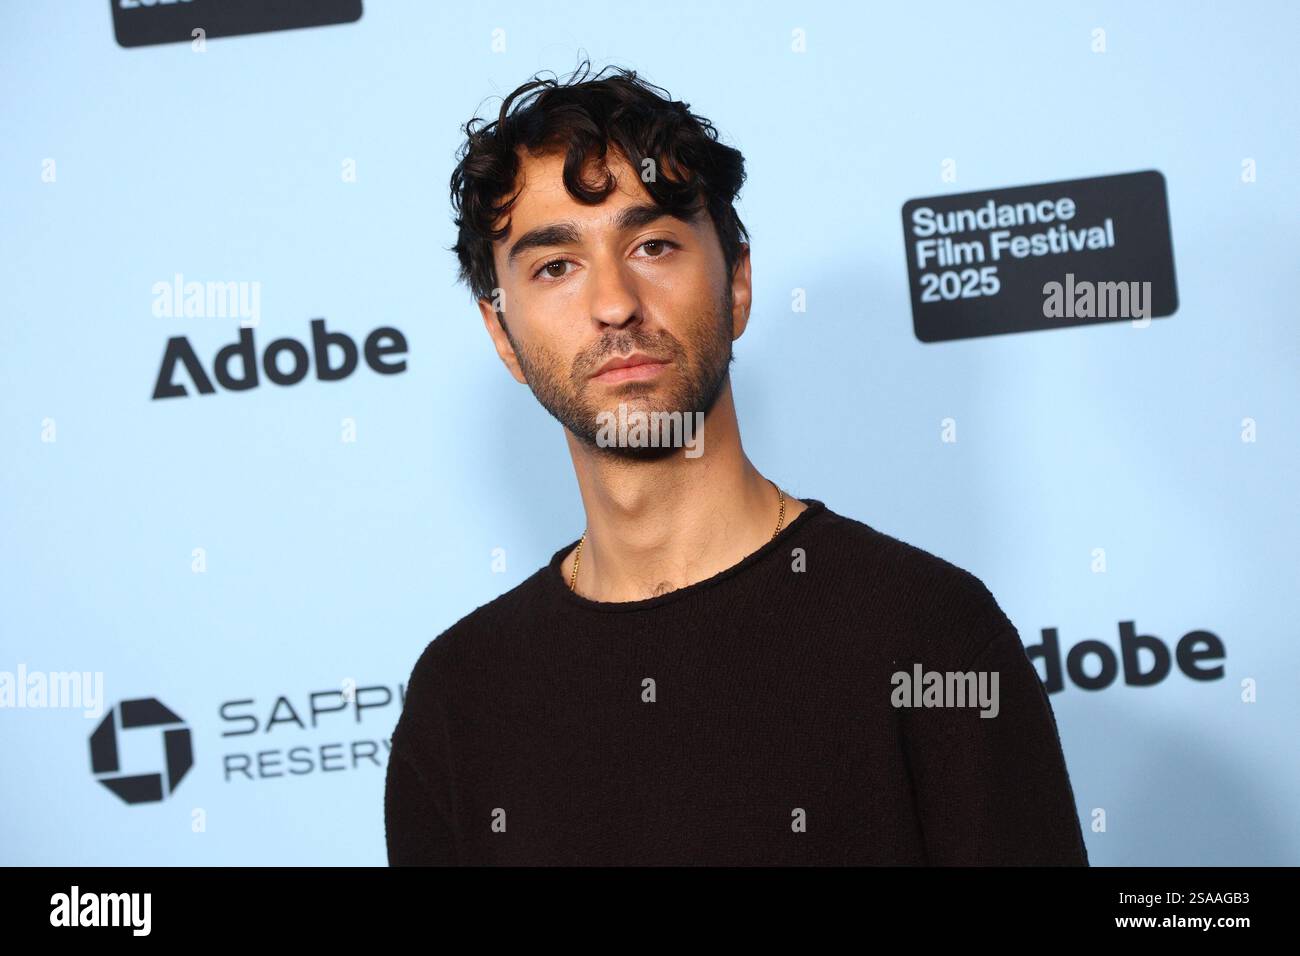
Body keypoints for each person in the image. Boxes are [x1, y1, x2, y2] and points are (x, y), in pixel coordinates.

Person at [384, 61, 1089, 865]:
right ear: (502, 334)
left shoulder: (930, 636)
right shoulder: (459, 699)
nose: (614, 302)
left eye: (652, 244)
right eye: (556, 265)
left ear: (739, 284)